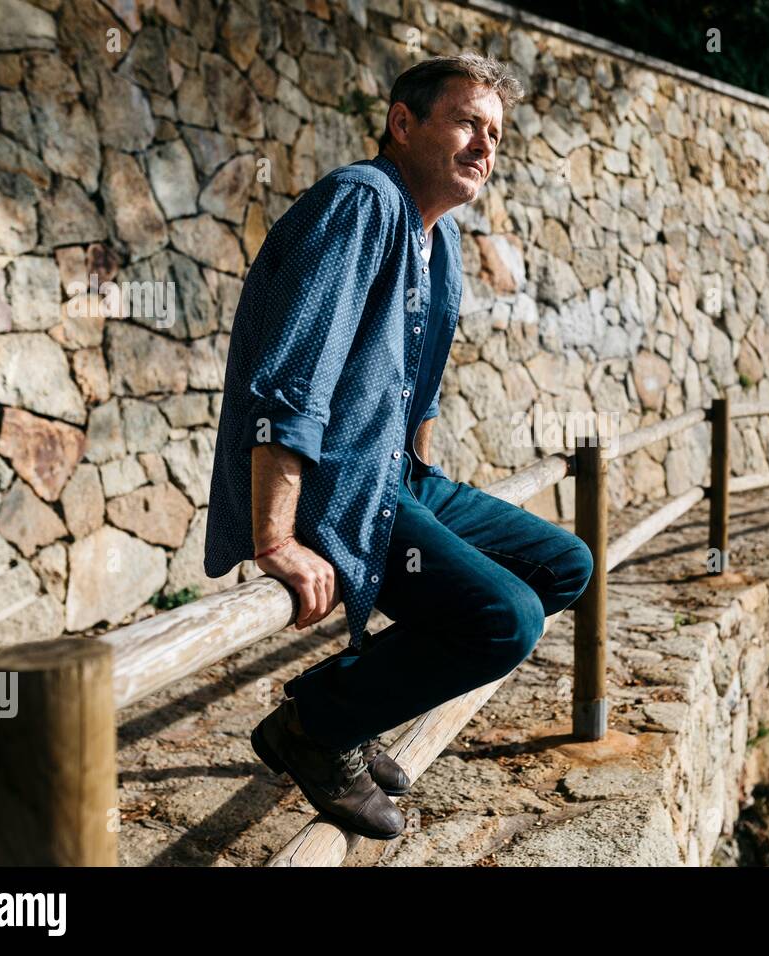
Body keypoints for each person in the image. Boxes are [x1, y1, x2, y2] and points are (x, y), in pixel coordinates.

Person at [203, 55, 594, 841]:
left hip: (398, 478)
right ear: (403, 123)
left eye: (495, 133)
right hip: (336, 485)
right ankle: (316, 730)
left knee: (564, 566)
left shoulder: (438, 238)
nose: (484, 146)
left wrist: (427, 485)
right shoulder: (361, 204)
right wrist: (275, 536)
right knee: (506, 619)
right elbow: (293, 380)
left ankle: (352, 703)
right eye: (466, 123)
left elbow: (418, 393)